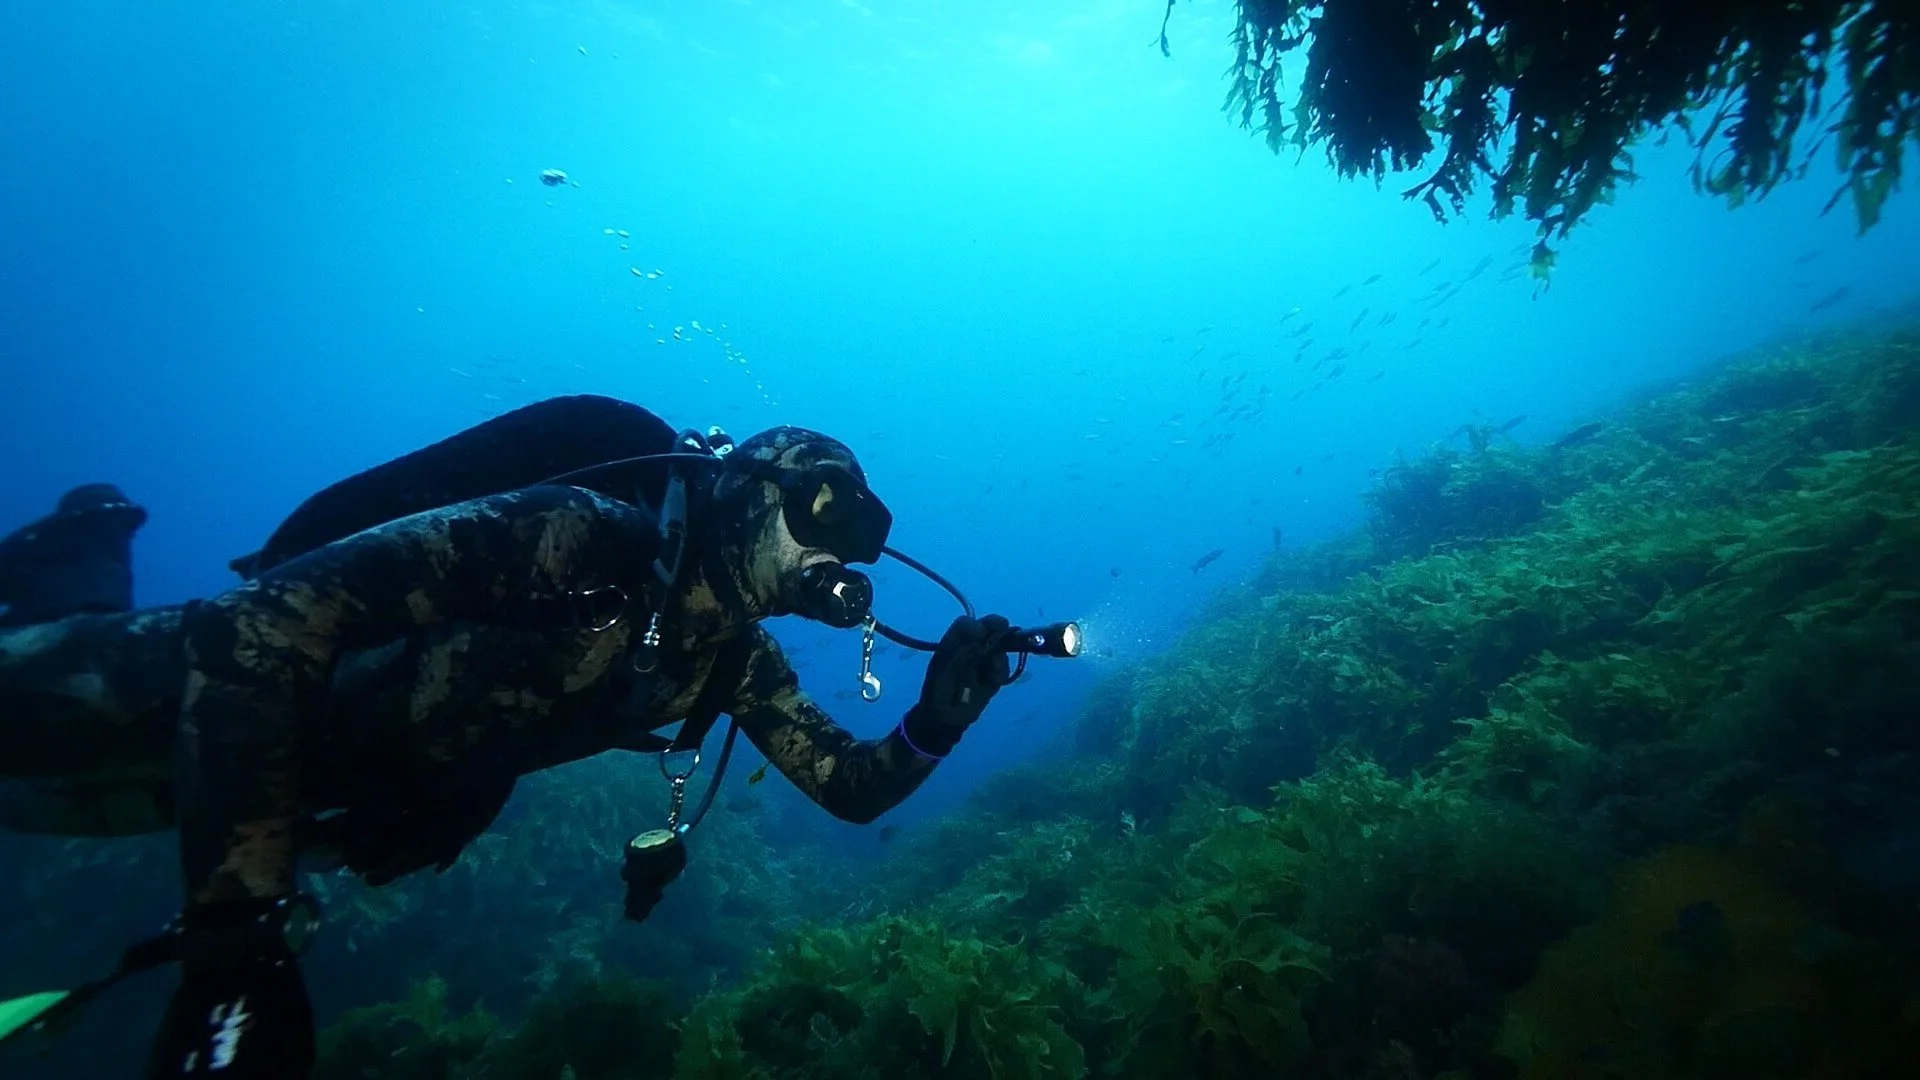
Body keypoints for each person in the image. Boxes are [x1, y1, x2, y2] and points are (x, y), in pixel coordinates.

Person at [0, 396, 1025, 1078]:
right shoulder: (572, 534)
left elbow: (847, 787)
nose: (838, 548)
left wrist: (936, 720)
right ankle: (77, 559)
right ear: (738, 494)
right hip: (188, 688)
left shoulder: (729, 657)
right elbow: (255, 629)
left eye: (856, 530)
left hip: (271, 777)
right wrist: (237, 944)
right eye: (820, 509)